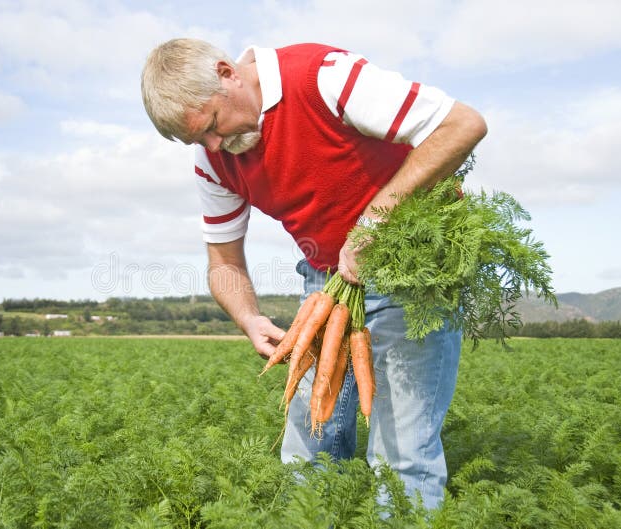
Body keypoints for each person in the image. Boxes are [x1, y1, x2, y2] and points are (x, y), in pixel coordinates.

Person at [140, 38, 487, 509]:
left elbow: (461, 124)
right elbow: (223, 261)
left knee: (402, 453)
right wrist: (248, 318)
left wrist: (374, 223)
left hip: (415, 270)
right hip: (327, 282)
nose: (213, 146)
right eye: (197, 140)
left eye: (212, 126)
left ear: (227, 73)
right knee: (309, 447)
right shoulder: (212, 160)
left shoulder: (324, 77)